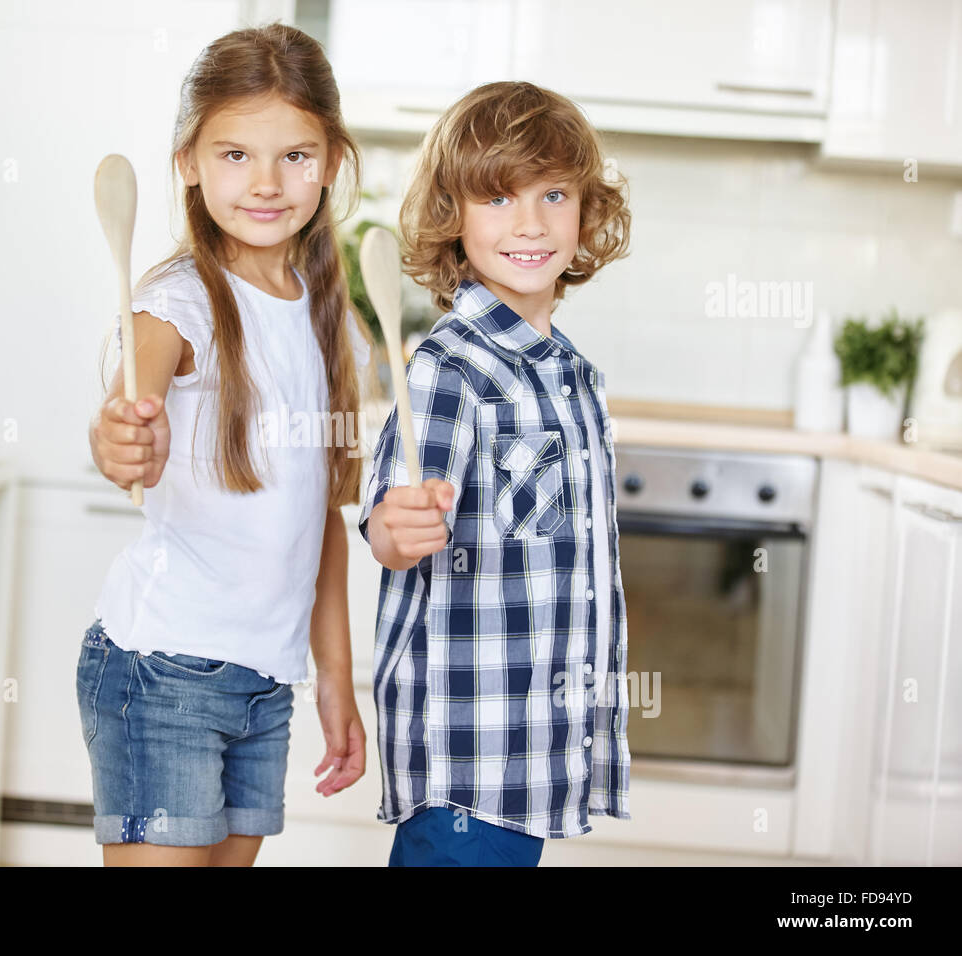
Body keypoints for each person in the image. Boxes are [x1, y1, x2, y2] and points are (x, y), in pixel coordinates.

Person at [81, 22, 372, 867]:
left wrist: (335, 683)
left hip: (263, 689)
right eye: (236, 154)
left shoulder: (328, 319)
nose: (268, 183)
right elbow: (123, 411)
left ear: (331, 162)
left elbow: (321, 523)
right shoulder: (178, 302)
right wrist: (117, 439)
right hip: (160, 673)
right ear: (188, 161)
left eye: (296, 155)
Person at [359, 80, 634, 866]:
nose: (531, 223)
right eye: (498, 199)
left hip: (535, 749)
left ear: (586, 212)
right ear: (454, 217)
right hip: (469, 753)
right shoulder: (450, 367)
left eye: (553, 194)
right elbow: (390, 521)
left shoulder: (570, 373)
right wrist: (396, 526)